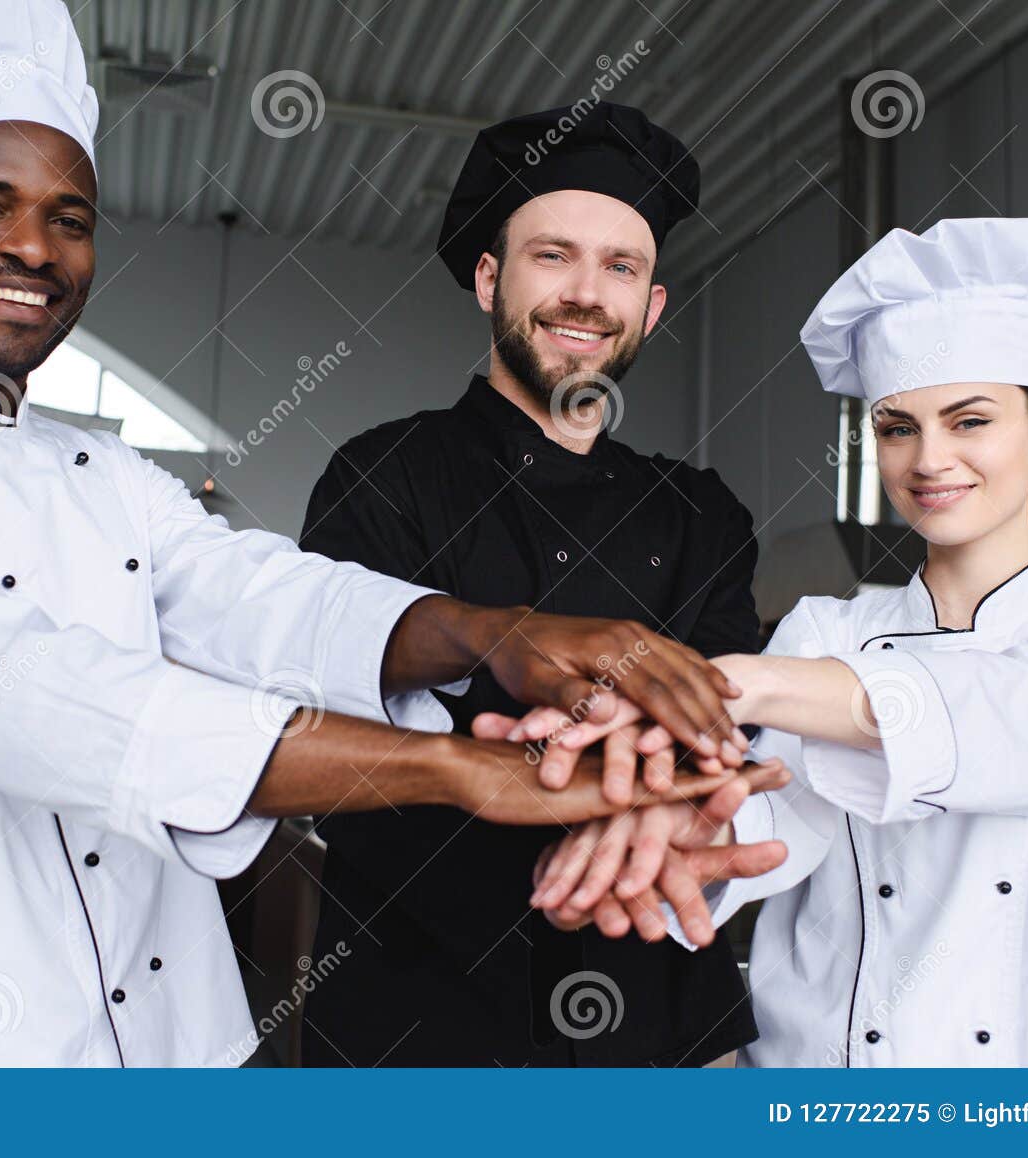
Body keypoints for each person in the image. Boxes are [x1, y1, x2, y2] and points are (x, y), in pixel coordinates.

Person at [0, 0, 782, 1066]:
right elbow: (25, 692)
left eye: (69, 219)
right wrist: (462, 768)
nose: (32, 246)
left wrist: (493, 635)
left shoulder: (111, 476)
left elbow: (267, 597)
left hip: (174, 1053)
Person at [517, 217, 1028, 1065]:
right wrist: (677, 839)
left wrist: (732, 680)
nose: (929, 460)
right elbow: (780, 807)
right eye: (897, 427)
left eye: (970, 421)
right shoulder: (830, 629)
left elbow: (1015, 713)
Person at [296, 104, 782, 1067]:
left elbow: (726, 728)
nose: (586, 295)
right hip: (421, 1025)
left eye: (621, 267)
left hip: (660, 1028)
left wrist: (646, 804)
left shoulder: (703, 515)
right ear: (490, 279)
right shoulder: (384, 476)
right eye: (553, 256)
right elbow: (340, 738)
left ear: (652, 307)